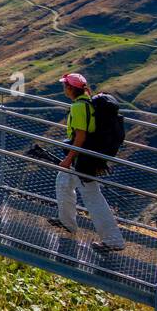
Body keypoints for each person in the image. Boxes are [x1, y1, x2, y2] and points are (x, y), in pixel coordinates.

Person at [44, 72, 125, 253]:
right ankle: (67, 223)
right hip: (83, 156)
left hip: (83, 158)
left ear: (71, 88)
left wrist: (68, 159)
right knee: (63, 183)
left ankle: (113, 241)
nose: (64, 88)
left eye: (65, 85)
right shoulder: (86, 103)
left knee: (92, 197)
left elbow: (80, 137)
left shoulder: (79, 107)